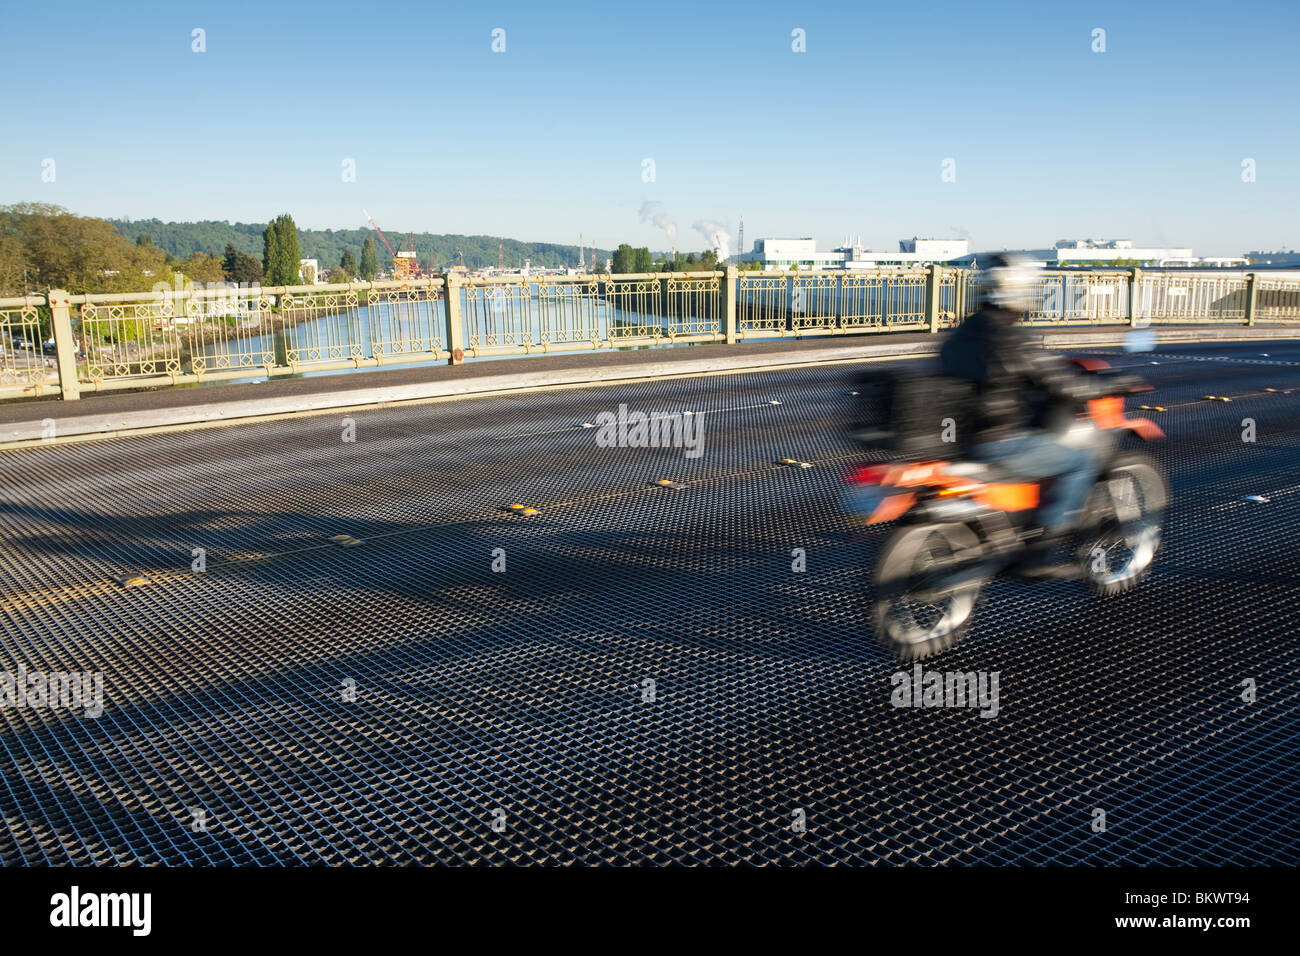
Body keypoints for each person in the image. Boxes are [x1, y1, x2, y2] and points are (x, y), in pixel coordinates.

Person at [939, 254, 1106, 574]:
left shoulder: (961, 332)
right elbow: (1060, 385)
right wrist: (1104, 389)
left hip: (953, 439)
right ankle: (1039, 553)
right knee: (1080, 461)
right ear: (1020, 291)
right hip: (996, 442)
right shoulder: (1014, 337)